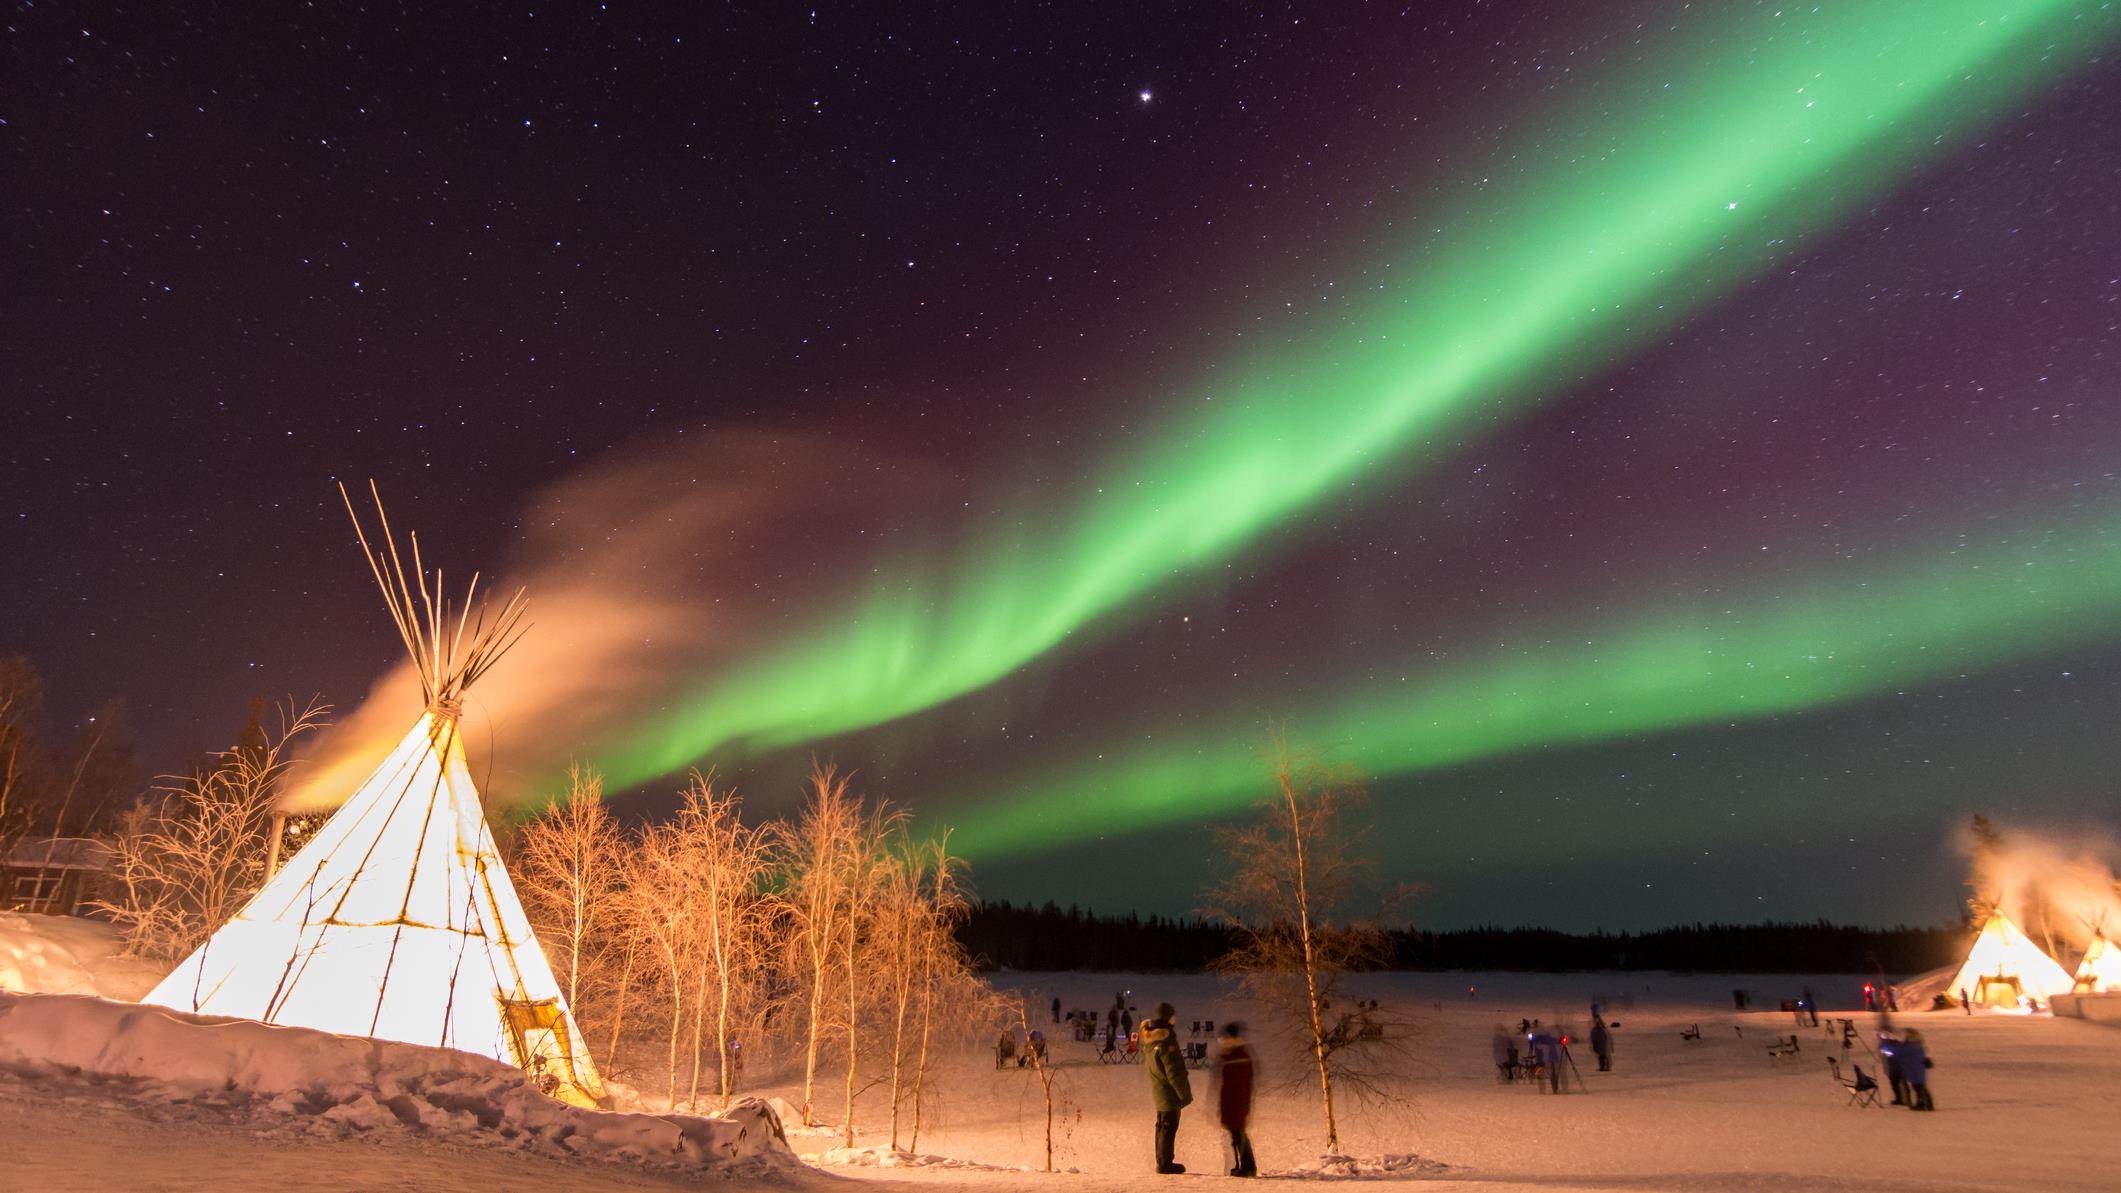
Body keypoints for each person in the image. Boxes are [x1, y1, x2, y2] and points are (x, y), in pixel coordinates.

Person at [1142, 1001, 1193, 1174]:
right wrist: (1183, 1094)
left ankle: (1162, 1160)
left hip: (1159, 1088)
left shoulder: (1151, 1041)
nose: (1175, 1018)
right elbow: (1174, 1070)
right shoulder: (1166, 1041)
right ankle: (1165, 1163)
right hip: (1169, 1091)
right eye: (1172, 1015)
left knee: (1161, 1125)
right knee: (1168, 1126)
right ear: (1167, 1017)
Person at [1214, 1022, 1256, 1178]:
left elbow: (1230, 1084)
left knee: (1238, 1135)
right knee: (1238, 1134)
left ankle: (1247, 1167)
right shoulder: (1239, 1054)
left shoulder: (1233, 1055)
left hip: (1234, 1103)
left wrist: (1225, 1105)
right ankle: (1247, 1166)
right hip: (1237, 1102)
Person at [1899, 1029, 1934, 1111]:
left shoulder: (1910, 1046)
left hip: (1914, 1070)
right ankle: (1928, 1104)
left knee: (1918, 1088)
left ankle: (1922, 1103)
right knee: (1921, 1087)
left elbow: (1903, 1055)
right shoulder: (1919, 1045)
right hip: (1918, 1070)